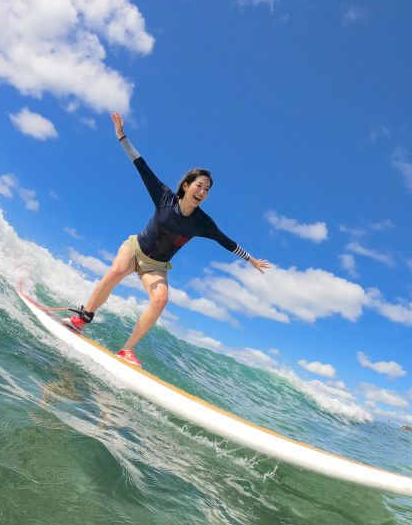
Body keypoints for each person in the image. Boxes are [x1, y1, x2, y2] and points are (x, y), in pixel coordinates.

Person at [66, 112, 270, 366]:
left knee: (161, 299)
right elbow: (141, 166)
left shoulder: (202, 223)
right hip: (136, 248)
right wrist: (121, 136)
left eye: (207, 189)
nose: (203, 192)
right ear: (186, 185)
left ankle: (126, 350)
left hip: (156, 265)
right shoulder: (164, 197)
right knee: (118, 270)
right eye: (200, 185)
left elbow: (225, 241)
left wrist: (251, 260)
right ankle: (82, 318)